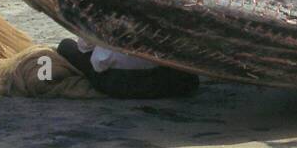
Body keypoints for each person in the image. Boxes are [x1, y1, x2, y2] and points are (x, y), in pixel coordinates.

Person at [56, 37, 199, 99]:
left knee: (66, 45)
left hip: (116, 83)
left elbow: (84, 46)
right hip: (163, 81)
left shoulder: (101, 3)